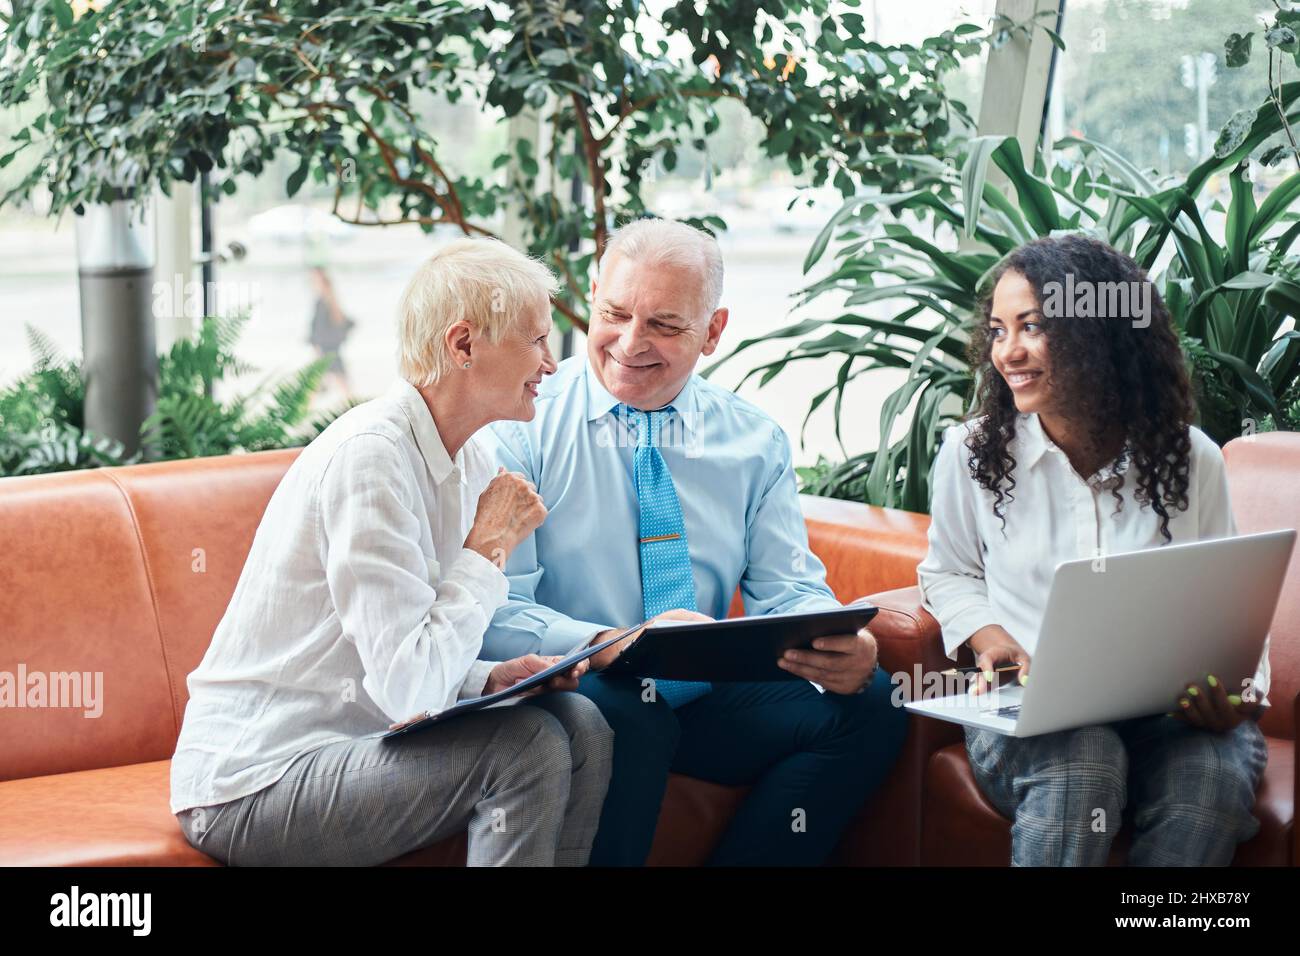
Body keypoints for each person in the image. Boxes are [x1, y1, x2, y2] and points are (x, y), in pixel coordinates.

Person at [479, 218, 908, 866]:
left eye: (664, 325)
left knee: (874, 702)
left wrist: (838, 646)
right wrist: (609, 646)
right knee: (628, 714)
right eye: (615, 313)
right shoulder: (520, 429)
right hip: (579, 686)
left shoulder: (753, 441)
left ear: (713, 330)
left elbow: (787, 589)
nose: (629, 343)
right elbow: (496, 611)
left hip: (704, 692)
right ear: (593, 296)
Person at [171, 238, 613, 867]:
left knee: (584, 726)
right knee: (524, 748)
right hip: (251, 782)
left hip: (351, 745)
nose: (551, 361)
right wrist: (487, 547)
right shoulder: (371, 458)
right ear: (463, 346)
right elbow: (409, 692)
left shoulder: (470, 458)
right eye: (536, 340)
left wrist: (487, 677)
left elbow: (400, 652)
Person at [917, 234, 1270, 866]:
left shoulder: (1192, 460)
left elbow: (1234, 603)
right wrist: (989, 636)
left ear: (1097, 332)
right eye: (999, 330)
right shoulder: (972, 454)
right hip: (1031, 711)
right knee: (1083, 762)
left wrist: (1235, 693)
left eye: (1032, 327)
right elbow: (948, 571)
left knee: (1211, 783)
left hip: (1167, 713)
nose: (1008, 352)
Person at [308, 266, 356, 399]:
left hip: (325, 351)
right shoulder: (332, 301)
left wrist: (317, 349)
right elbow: (346, 325)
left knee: (312, 386)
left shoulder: (323, 303)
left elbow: (318, 332)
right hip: (332, 351)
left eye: (314, 279)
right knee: (342, 386)